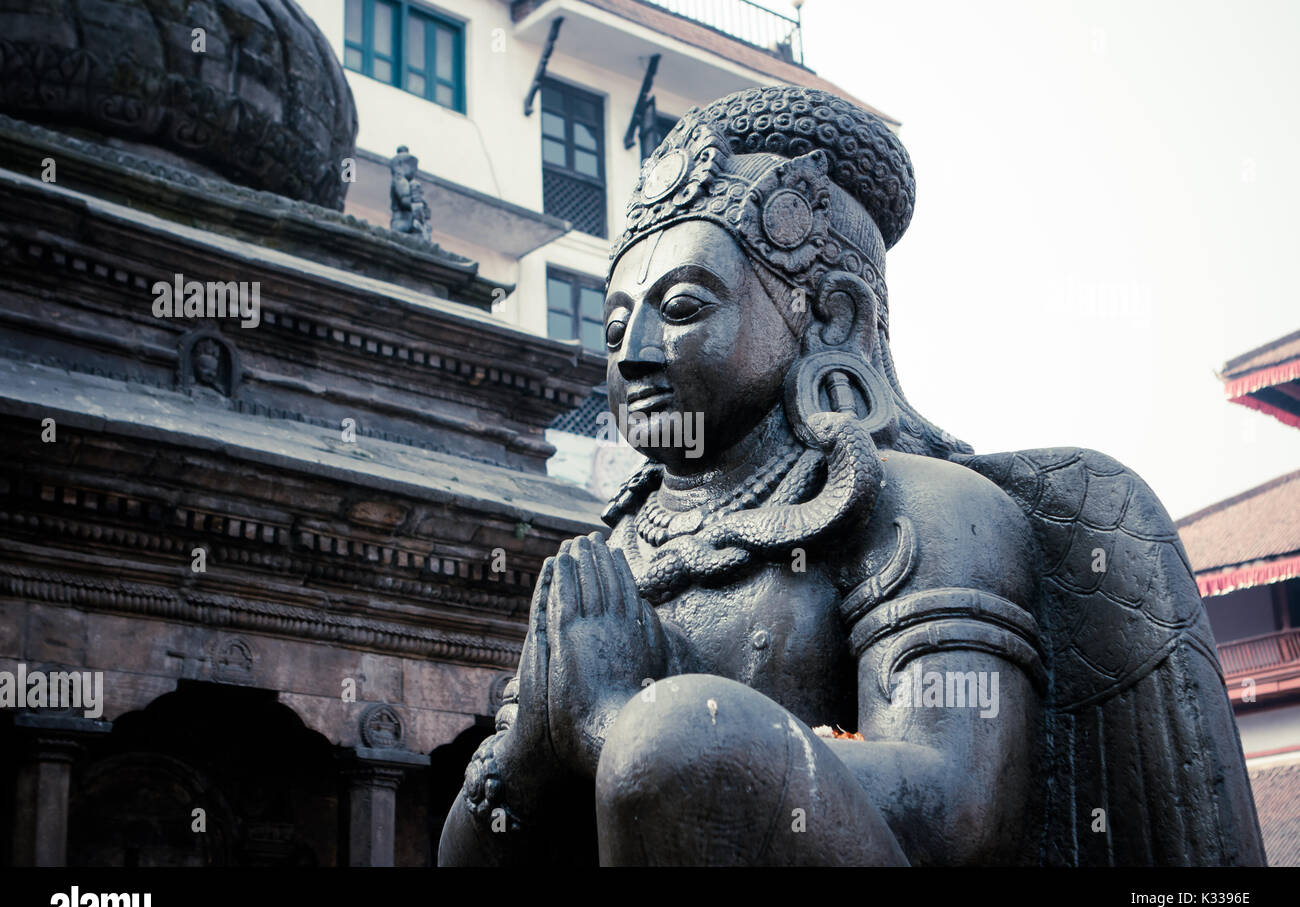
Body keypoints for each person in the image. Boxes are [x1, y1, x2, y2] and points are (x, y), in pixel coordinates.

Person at [439, 87, 1263, 866]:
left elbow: (958, 809)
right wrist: (528, 754)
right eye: (615, 323)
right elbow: (471, 852)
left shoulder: (927, 512)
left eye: (684, 307)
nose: (633, 353)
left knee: (683, 729)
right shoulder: (609, 566)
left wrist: (612, 723)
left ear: (830, 316)